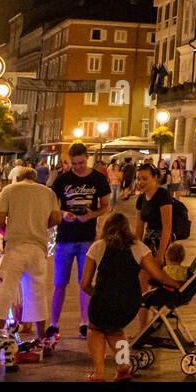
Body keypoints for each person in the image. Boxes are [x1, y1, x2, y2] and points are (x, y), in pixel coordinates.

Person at [81, 210, 179, 381]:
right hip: (130, 302)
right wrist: (176, 284)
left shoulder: (97, 247)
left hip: (102, 300)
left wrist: (96, 294)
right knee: (116, 331)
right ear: (128, 229)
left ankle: (99, 373)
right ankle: (123, 367)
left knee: (95, 330)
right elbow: (157, 275)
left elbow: (85, 284)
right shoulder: (139, 247)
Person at [46, 142, 111, 343]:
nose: (77, 167)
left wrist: (92, 215)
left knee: (85, 284)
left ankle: (85, 322)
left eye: (81, 163)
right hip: (65, 237)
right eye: (74, 164)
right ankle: (53, 323)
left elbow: (106, 206)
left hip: (87, 238)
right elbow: (51, 205)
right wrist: (63, 214)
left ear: (87, 158)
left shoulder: (98, 179)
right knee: (59, 283)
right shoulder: (62, 179)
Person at [0, 167, 62, 345]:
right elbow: (56, 219)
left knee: (4, 290)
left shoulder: (9, 190)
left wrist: (7, 233)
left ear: (18, 177)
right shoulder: (48, 193)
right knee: (37, 291)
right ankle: (41, 335)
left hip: (15, 247)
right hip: (37, 248)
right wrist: (40, 228)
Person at [133, 162, 175, 331]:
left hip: (161, 244)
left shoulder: (162, 195)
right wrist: (135, 251)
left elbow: (167, 228)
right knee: (143, 287)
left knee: (157, 286)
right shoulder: (141, 199)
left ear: (155, 178)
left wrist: (161, 254)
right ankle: (143, 328)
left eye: (144, 178)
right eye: (138, 178)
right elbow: (138, 229)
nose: (140, 182)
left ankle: (157, 324)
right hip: (146, 245)